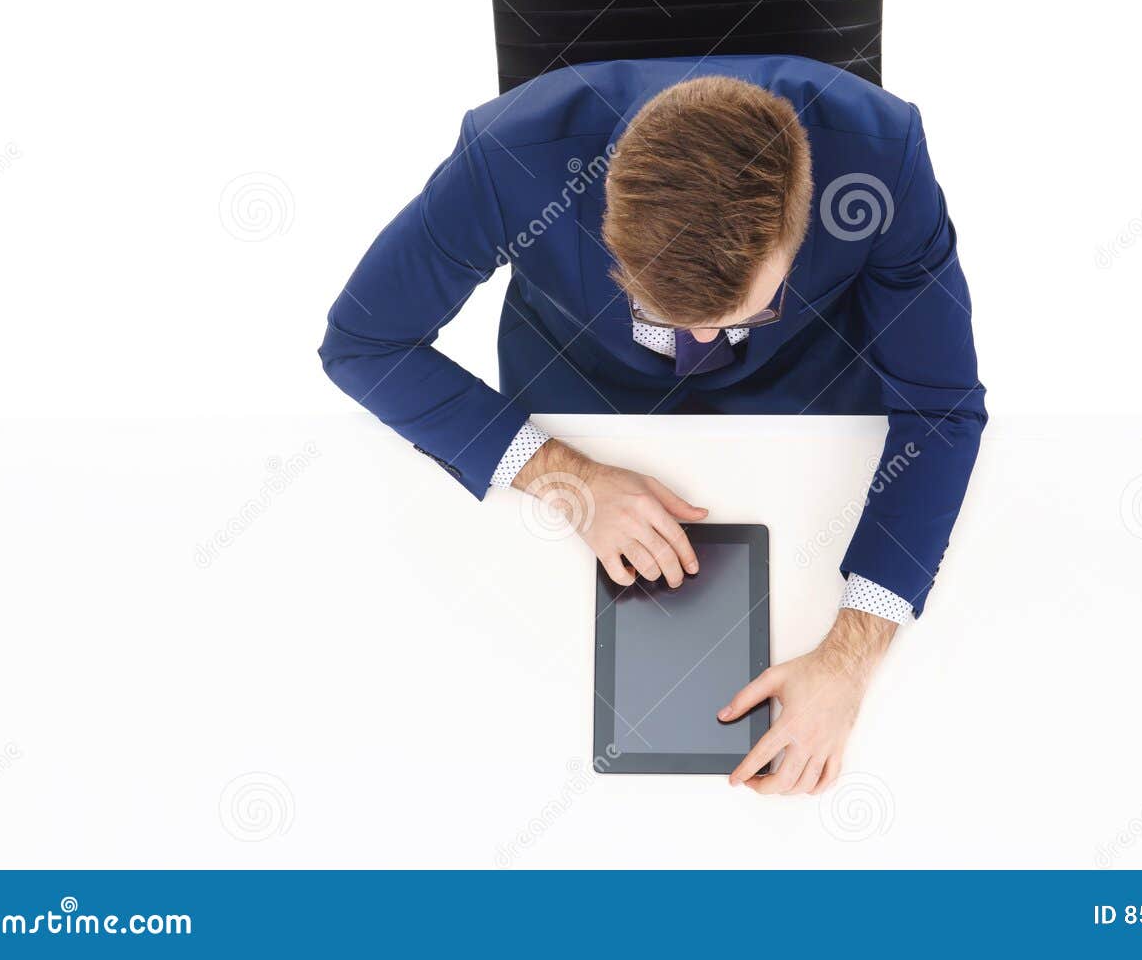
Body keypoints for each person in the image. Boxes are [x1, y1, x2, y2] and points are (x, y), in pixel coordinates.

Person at [320, 54, 986, 795]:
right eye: (663, 309)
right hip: (582, 388)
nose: (700, 341)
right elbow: (364, 343)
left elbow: (943, 407)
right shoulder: (511, 155)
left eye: (736, 314)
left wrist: (851, 658)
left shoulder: (879, 156)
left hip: (805, 394)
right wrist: (565, 476)